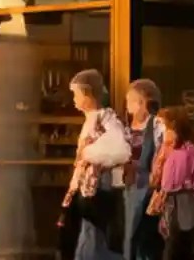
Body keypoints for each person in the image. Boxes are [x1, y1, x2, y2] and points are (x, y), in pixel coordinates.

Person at [60, 69, 133, 260]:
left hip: (99, 187)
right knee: (89, 238)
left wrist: (89, 153)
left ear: (88, 94)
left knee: (95, 239)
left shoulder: (105, 118)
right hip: (89, 188)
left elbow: (121, 149)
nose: (74, 99)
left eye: (76, 94)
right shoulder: (92, 120)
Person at [146, 108, 194, 260]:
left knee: (177, 245)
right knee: (178, 243)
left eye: (163, 126)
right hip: (174, 202)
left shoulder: (186, 153)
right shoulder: (168, 150)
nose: (160, 131)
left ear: (174, 128)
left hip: (180, 203)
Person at [124, 80, 164, 260]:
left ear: (141, 102)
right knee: (130, 233)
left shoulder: (156, 125)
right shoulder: (127, 126)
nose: (127, 106)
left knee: (143, 234)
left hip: (148, 187)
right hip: (129, 186)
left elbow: (162, 153)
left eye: (129, 101)